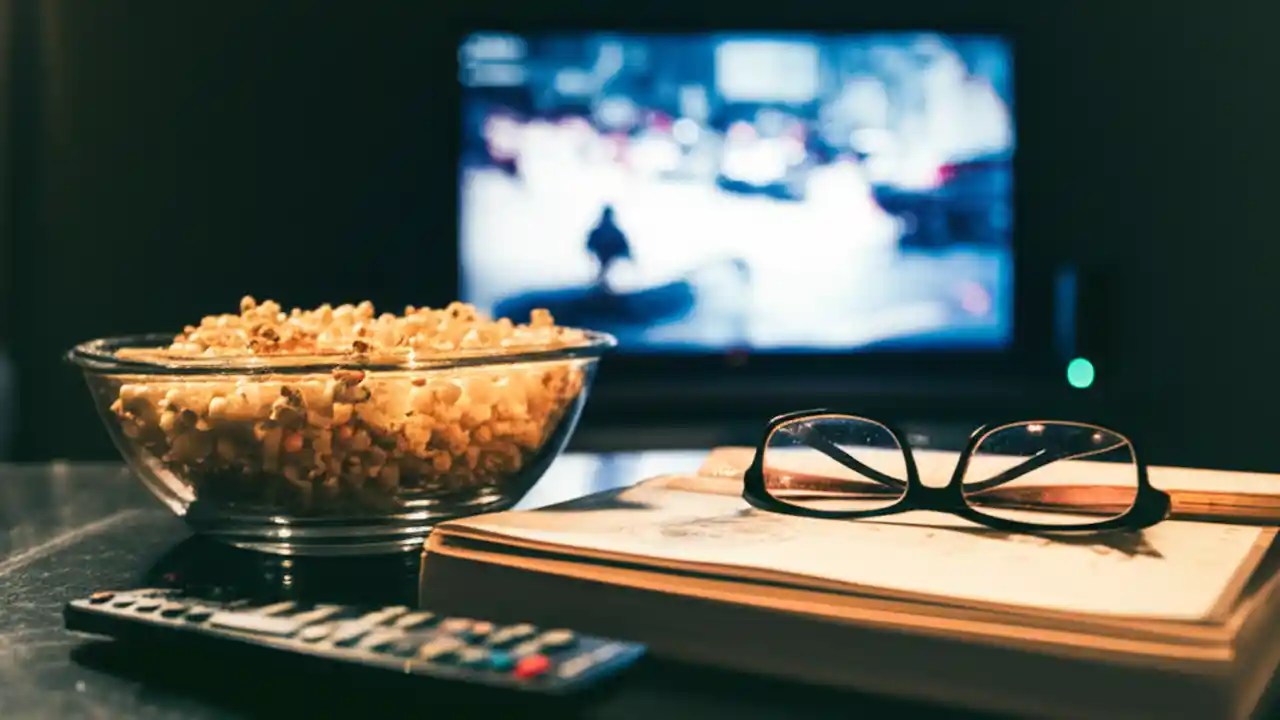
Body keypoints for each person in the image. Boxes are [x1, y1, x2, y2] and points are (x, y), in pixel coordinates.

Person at [585, 205, 632, 291]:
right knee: (604, 269)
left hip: (609, 253)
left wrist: (627, 254)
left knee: (604, 269)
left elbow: (622, 242)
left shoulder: (608, 229)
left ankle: (601, 284)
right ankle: (601, 285)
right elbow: (590, 241)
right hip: (603, 252)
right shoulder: (604, 229)